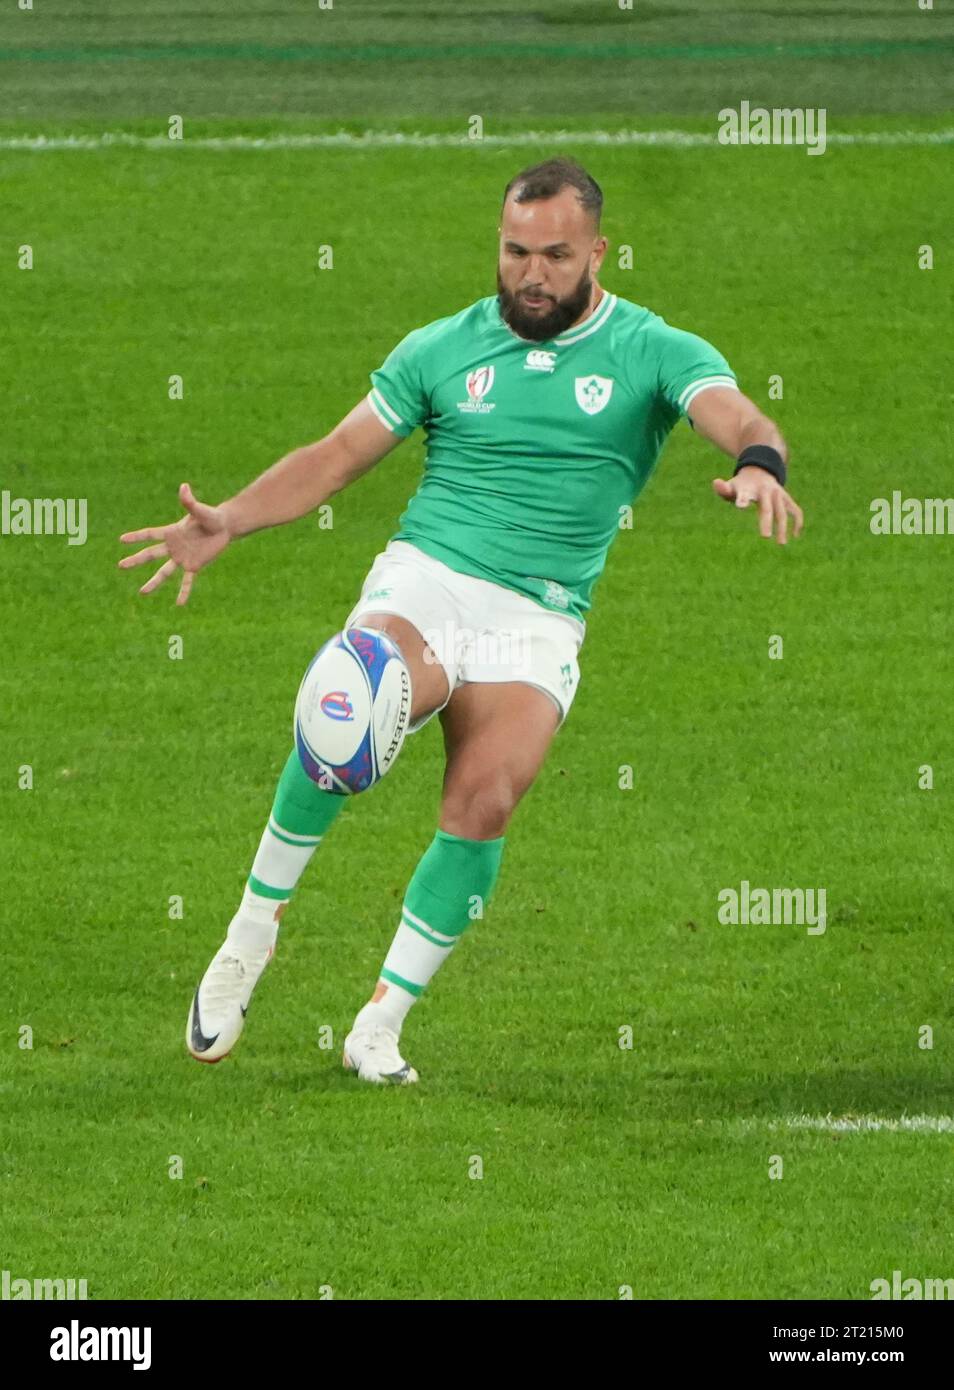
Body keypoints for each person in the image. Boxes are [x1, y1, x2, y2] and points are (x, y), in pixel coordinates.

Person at [119, 157, 803, 1084]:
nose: (531, 273)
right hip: (430, 579)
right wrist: (229, 519)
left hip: (542, 615)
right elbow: (336, 456)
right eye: (515, 251)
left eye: (556, 255)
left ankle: (380, 1022)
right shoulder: (444, 346)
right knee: (349, 698)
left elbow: (737, 413)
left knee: (485, 801)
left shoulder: (652, 347)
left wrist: (761, 463)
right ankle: (250, 931)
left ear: (598, 251)